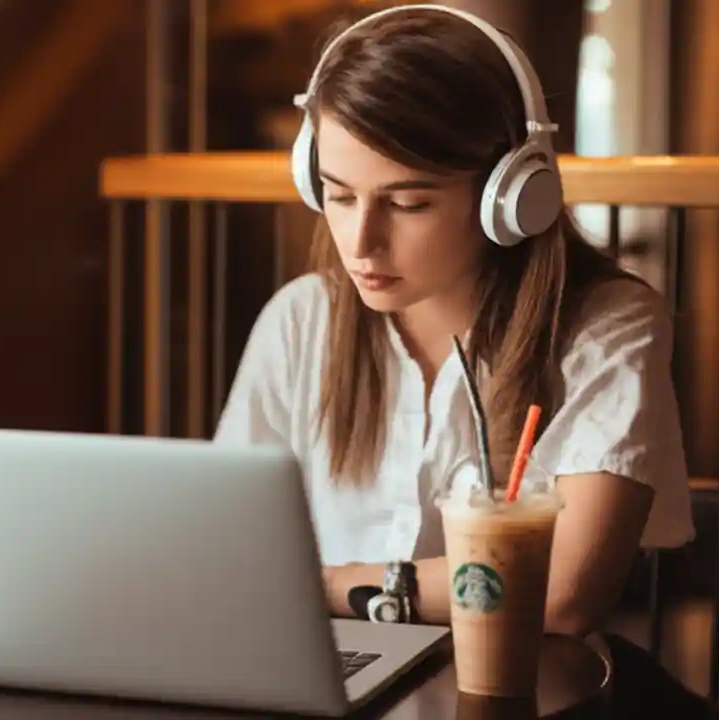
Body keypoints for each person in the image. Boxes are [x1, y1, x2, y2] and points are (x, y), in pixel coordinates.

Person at [214, 4, 693, 636]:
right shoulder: (301, 320)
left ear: (511, 196)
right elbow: (227, 555)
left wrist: (326, 585)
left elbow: (560, 591)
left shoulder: (604, 328)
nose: (361, 241)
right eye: (338, 194)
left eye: (408, 202)